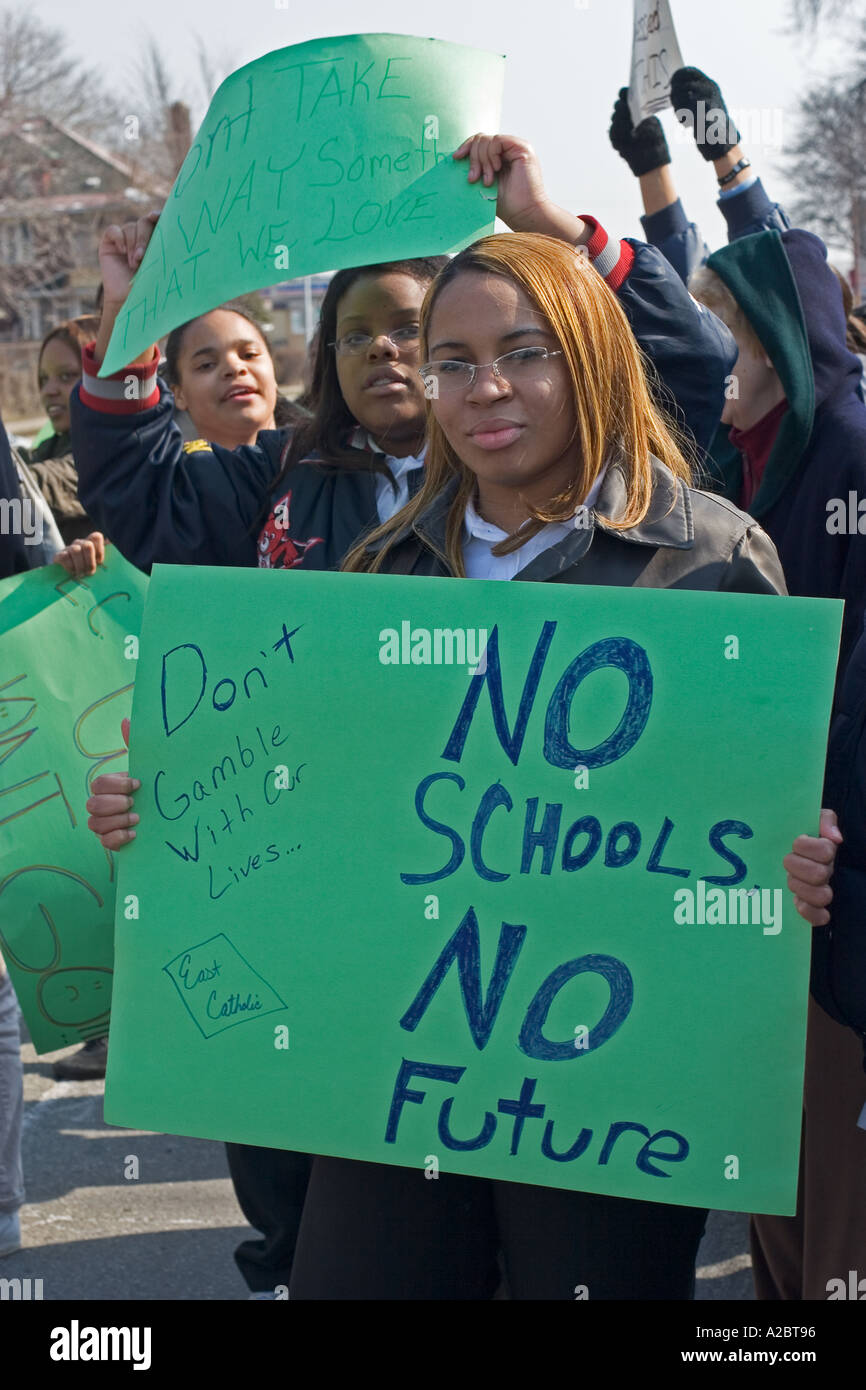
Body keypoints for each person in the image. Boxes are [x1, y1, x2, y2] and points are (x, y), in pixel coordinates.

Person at [88, 226, 787, 1300]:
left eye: (523, 352)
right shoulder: (381, 565)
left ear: (591, 354)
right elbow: (308, 795)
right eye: (451, 361)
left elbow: (761, 814)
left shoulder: (710, 560)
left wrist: (806, 856)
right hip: (395, 1064)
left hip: (605, 1083)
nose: (482, 387)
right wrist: (169, 809)